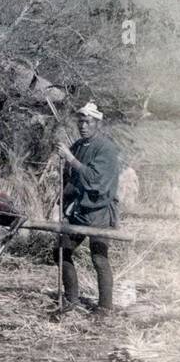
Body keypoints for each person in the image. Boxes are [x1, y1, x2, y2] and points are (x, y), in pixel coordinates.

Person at [54, 101, 120, 316]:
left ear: (98, 124)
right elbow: (71, 178)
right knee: (61, 251)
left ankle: (105, 307)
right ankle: (71, 299)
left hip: (99, 211)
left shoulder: (106, 148)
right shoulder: (78, 146)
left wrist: (70, 159)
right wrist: (63, 204)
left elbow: (95, 180)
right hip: (78, 211)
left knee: (99, 258)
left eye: (88, 122)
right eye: (80, 122)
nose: (83, 126)